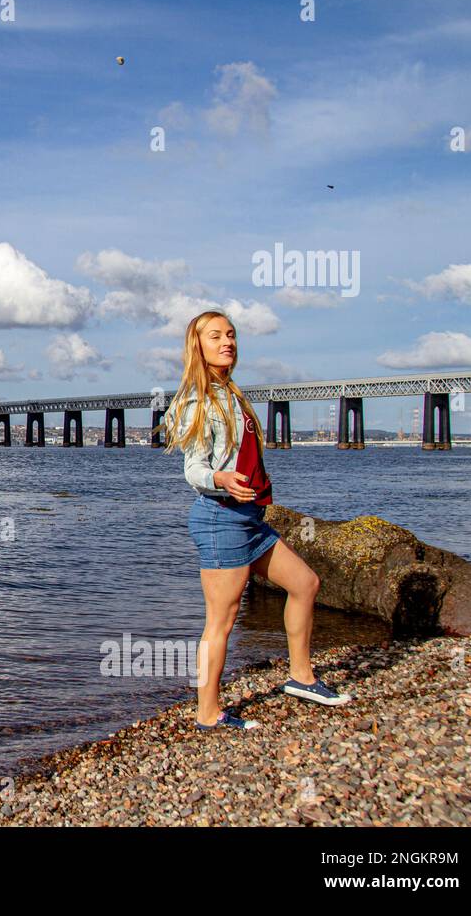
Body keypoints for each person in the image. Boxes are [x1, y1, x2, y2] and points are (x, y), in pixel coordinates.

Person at [157, 310, 351, 732]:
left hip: (250, 519)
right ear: (197, 346)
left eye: (230, 335)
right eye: (215, 337)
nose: (227, 342)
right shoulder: (197, 399)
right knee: (221, 621)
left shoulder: (232, 393)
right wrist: (220, 479)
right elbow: (193, 469)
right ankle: (207, 712)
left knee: (305, 583)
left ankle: (301, 678)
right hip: (219, 518)